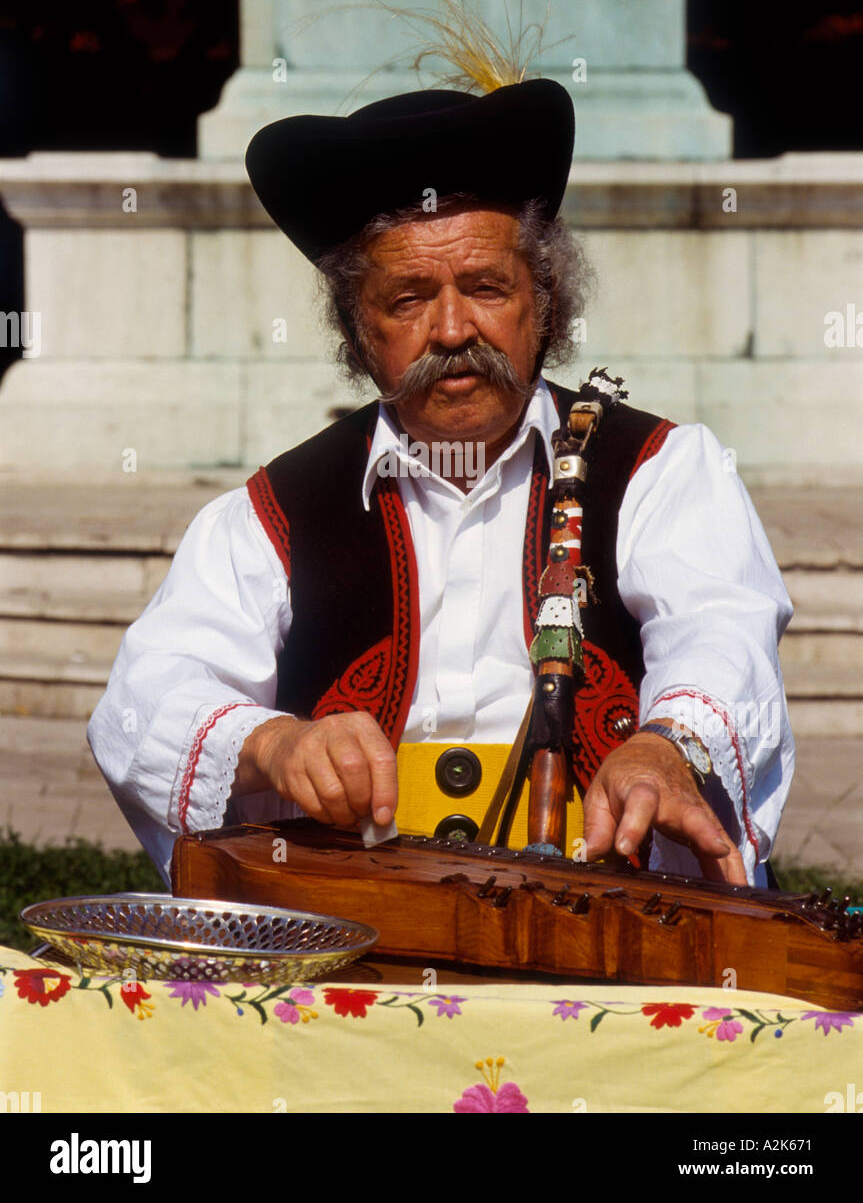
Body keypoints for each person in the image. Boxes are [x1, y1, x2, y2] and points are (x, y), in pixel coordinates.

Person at [87, 78, 794, 890]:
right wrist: (269, 744)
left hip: (616, 919)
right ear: (357, 328)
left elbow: (719, 630)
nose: (453, 329)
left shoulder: (662, 471)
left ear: (545, 298)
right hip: (353, 931)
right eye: (408, 298)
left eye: (486, 288)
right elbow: (145, 697)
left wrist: (667, 745)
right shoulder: (272, 512)